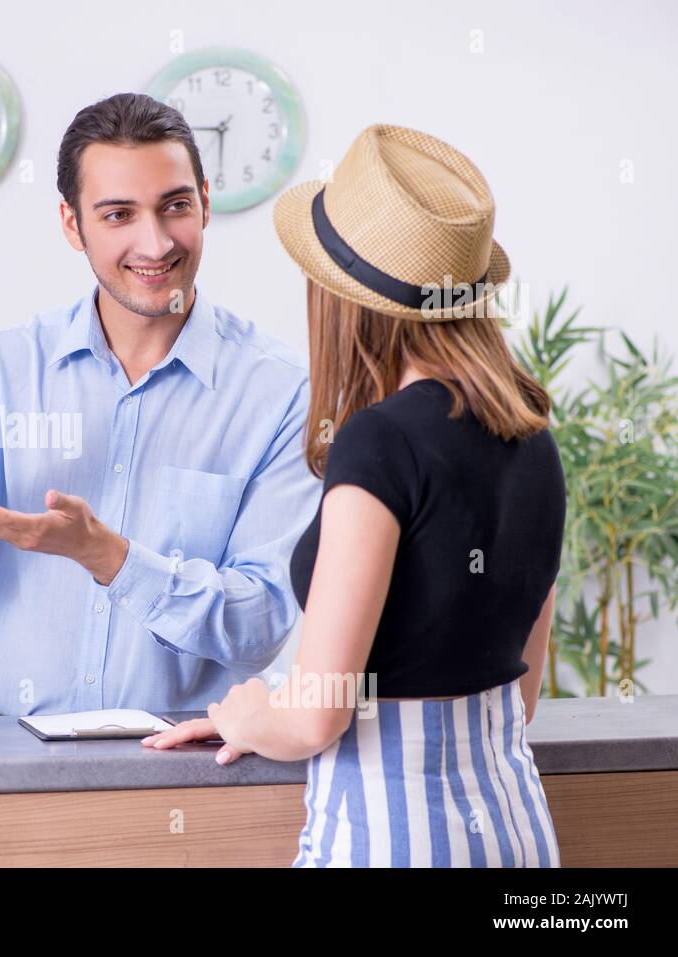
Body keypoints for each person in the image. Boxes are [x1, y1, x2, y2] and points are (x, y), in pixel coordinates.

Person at [143, 124, 566, 868]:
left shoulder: (379, 441)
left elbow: (315, 717)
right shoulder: (532, 434)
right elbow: (521, 696)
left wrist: (251, 713)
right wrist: (282, 715)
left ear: (343, 296)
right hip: (516, 830)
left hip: (391, 838)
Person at [0, 93, 322, 718]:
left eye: (174, 206)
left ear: (205, 204)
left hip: (184, 759)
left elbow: (260, 621)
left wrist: (108, 556)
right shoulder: (2, 370)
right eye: (118, 214)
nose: (154, 244)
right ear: (73, 225)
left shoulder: (284, 392)